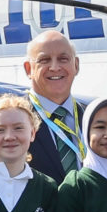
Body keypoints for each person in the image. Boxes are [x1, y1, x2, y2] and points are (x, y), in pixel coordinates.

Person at [22, 30, 83, 180]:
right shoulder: (9, 119)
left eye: (63, 59)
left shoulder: (92, 117)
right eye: (44, 60)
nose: (55, 67)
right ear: (28, 69)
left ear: (76, 65)